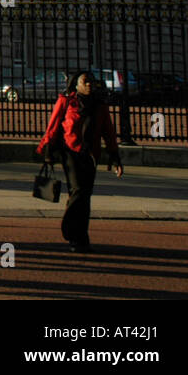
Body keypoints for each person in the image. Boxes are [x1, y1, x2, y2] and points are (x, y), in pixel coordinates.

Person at [37, 69, 123, 253]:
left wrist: (115, 157)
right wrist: (48, 152)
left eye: (91, 81)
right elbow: (53, 126)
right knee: (78, 191)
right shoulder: (67, 101)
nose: (89, 84)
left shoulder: (100, 106)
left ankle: (80, 235)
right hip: (70, 153)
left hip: (91, 155)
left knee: (84, 195)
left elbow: (108, 133)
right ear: (76, 85)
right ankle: (73, 232)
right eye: (85, 81)